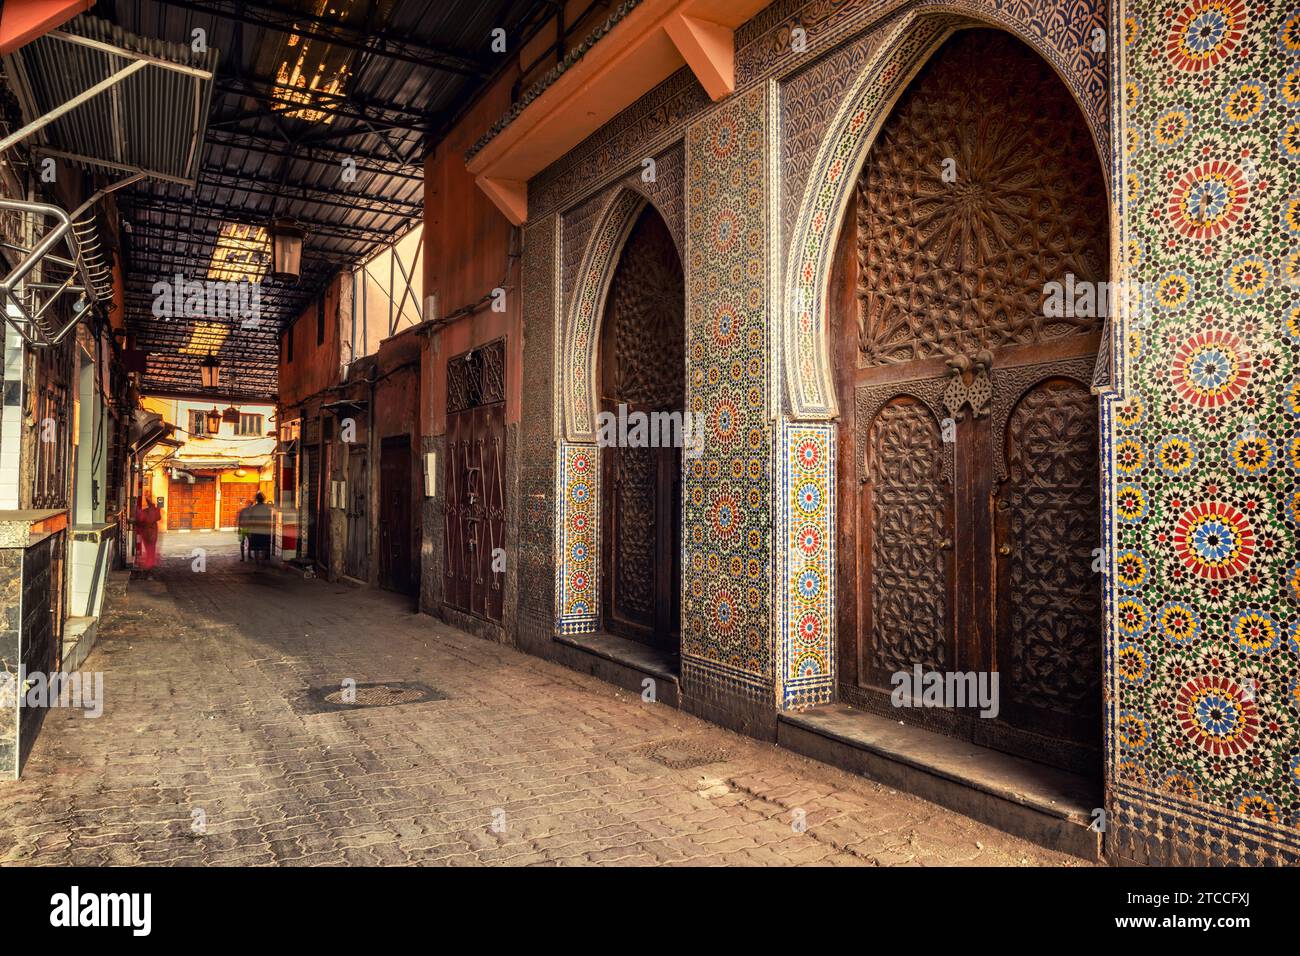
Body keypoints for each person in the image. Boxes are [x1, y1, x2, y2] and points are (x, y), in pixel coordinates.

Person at [133, 493, 162, 578]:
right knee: (151, 549)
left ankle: (148, 566)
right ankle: (149, 565)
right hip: (152, 532)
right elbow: (158, 517)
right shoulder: (155, 510)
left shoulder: (145, 511)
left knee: (149, 549)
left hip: (146, 532)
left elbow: (140, 520)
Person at [245, 492, 274, 567]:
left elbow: (250, 520)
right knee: (264, 546)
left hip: (256, 530)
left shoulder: (253, 508)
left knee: (256, 547)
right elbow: (269, 519)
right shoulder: (267, 508)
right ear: (263, 499)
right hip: (264, 529)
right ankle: (263, 561)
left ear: (256, 499)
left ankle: (257, 562)